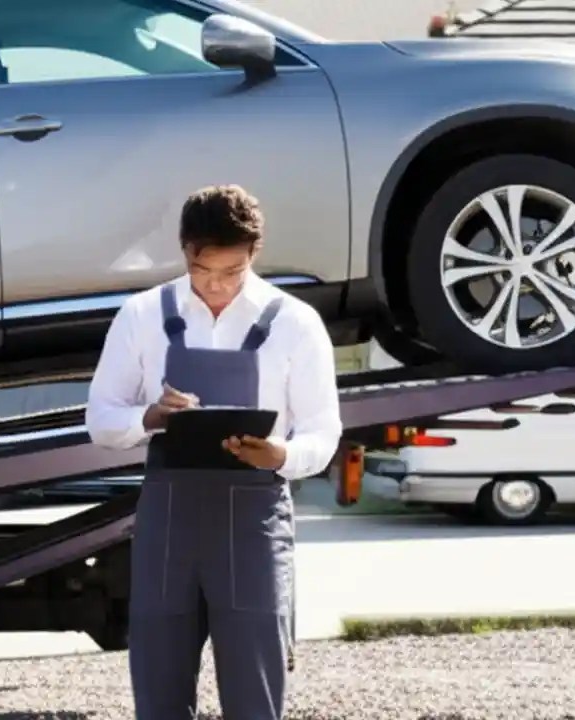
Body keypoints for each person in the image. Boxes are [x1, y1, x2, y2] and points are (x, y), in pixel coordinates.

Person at [85, 184, 343, 719]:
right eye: (203, 270)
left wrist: (280, 455)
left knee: (254, 696)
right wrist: (151, 416)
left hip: (254, 522)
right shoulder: (141, 315)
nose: (217, 285)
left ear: (254, 253)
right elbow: (100, 419)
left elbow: (323, 433)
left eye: (233, 271)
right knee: (159, 690)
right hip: (169, 520)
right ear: (185, 250)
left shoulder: (295, 323)